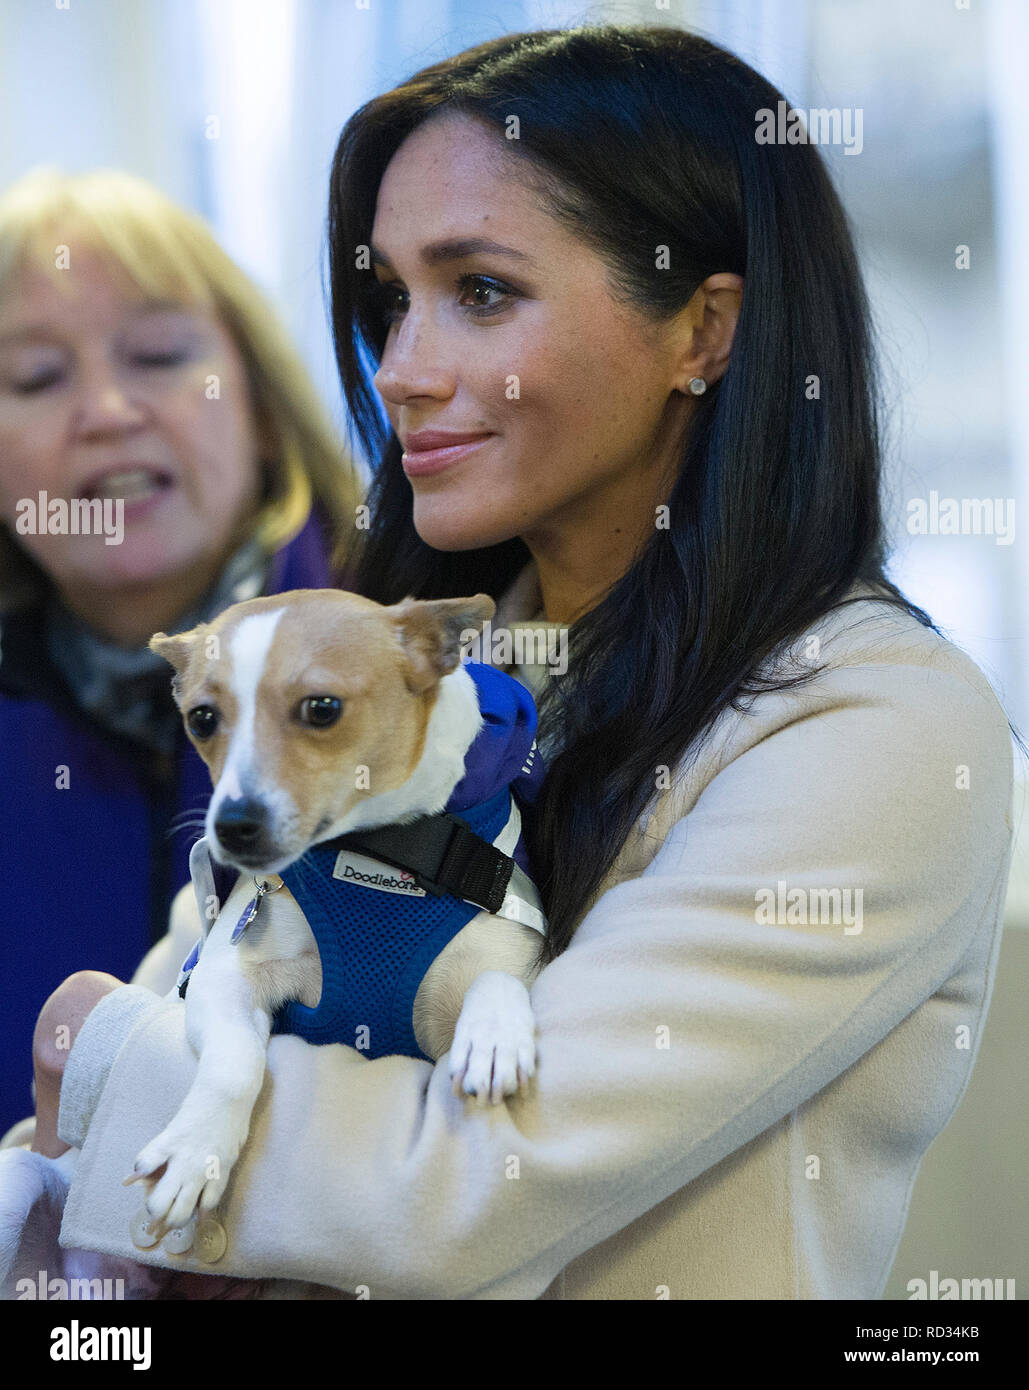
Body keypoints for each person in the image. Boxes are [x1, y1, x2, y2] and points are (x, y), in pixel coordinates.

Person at [11, 25, 1022, 1299]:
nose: (401, 371)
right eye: (388, 301)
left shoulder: (876, 722)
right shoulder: (408, 669)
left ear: (703, 332)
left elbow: (479, 1181)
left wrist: (94, 1052)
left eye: (479, 292)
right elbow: (196, 981)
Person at [0, 168, 363, 1142]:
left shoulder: (421, 673)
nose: (107, 410)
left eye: (160, 355)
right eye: (35, 377)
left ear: (260, 402)